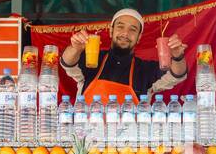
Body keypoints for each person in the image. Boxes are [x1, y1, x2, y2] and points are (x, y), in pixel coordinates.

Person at [60, 7, 188, 101]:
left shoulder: (145, 70)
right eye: (120, 27)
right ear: (111, 31)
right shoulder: (92, 59)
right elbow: (68, 63)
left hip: (130, 138)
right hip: (86, 138)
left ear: (138, 38)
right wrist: (75, 48)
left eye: (133, 30)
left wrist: (177, 56)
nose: (125, 33)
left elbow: (177, 74)